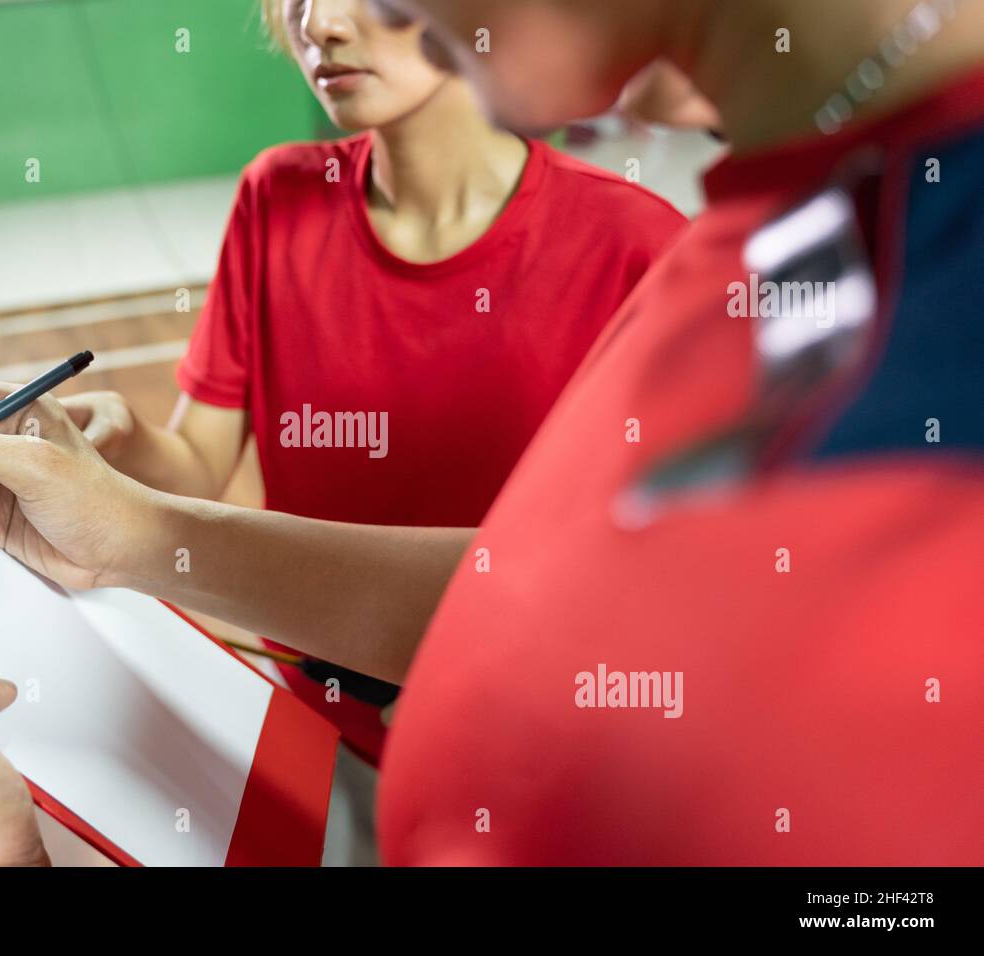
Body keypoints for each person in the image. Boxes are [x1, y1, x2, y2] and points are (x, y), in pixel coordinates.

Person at [0, 0, 984, 865]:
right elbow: (541, 593)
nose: (330, 20)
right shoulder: (783, 230)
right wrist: (133, 531)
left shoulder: (703, 249)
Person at [48, 0, 683, 766]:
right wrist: (123, 433)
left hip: (533, 731)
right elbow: (197, 462)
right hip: (318, 723)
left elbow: (642, 582)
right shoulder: (276, 196)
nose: (320, 23)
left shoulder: (640, 246)